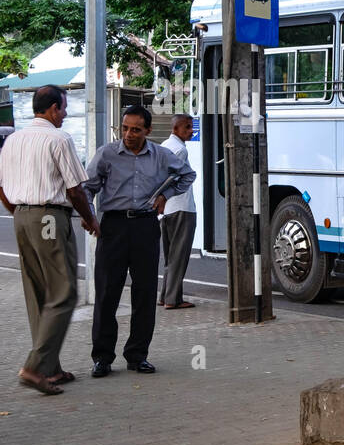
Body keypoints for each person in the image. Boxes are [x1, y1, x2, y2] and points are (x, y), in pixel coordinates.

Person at [0, 85, 99, 395]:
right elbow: (74, 189)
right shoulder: (59, 138)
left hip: (21, 217)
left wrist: (19, 212)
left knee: (38, 294)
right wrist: (90, 218)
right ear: (54, 108)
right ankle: (34, 367)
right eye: (64, 108)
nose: (66, 114)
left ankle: (50, 369)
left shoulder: (13, 140)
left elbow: (2, 186)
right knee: (64, 291)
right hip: (48, 217)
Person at [83, 105, 195, 377]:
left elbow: (188, 175)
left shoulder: (160, 155)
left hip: (145, 226)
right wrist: (89, 217)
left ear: (147, 130)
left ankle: (137, 355)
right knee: (107, 293)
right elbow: (87, 187)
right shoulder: (107, 154)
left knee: (144, 294)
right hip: (114, 227)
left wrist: (165, 195)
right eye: (125, 128)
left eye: (135, 129)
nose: (129, 134)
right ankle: (102, 358)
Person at [158, 114, 197, 309]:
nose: (191, 131)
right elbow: (174, 178)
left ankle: (165, 296)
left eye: (191, 127)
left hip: (167, 211)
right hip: (182, 208)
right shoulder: (180, 150)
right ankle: (173, 300)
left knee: (171, 256)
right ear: (176, 130)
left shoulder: (165, 145)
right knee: (179, 257)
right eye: (187, 128)